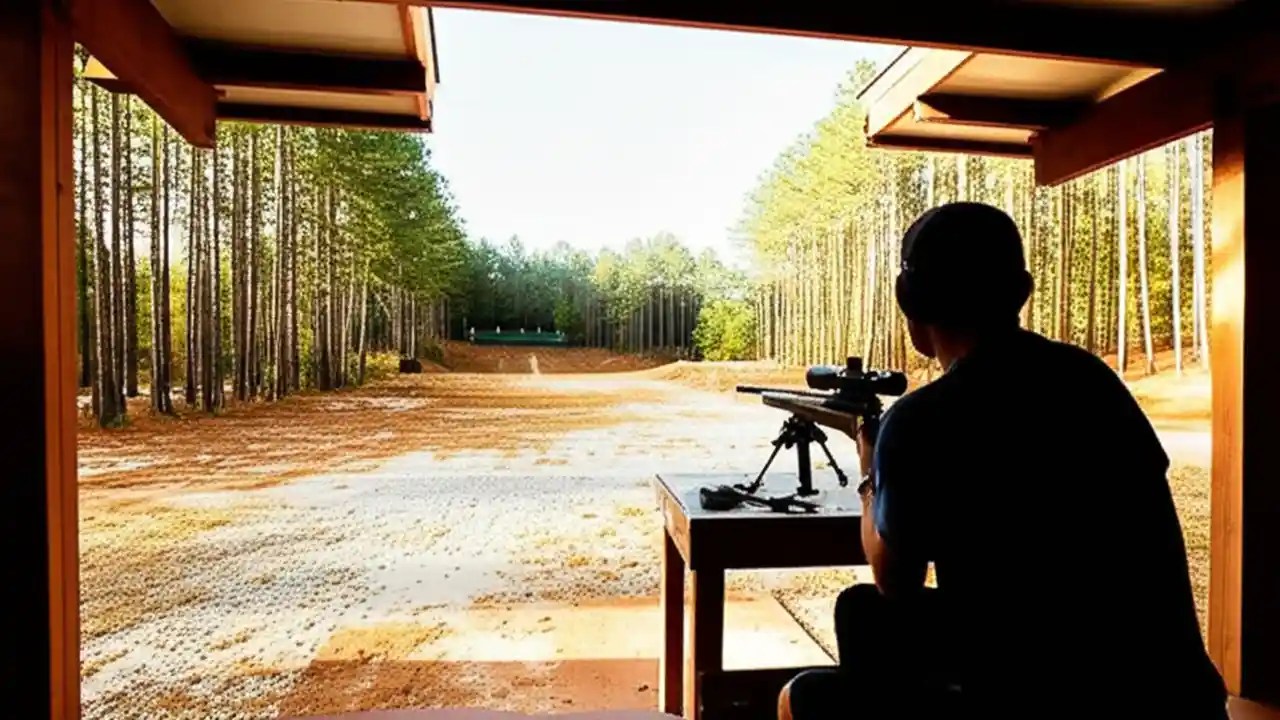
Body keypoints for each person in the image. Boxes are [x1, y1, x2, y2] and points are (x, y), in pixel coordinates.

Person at [779, 202, 1226, 719]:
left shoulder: (921, 420)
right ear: (1019, 293)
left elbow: (893, 578)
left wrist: (868, 472)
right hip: (1175, 696)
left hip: (1034, 694)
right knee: (860, 615)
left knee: (801, 698)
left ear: (911, 306)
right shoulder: (1091, 380)